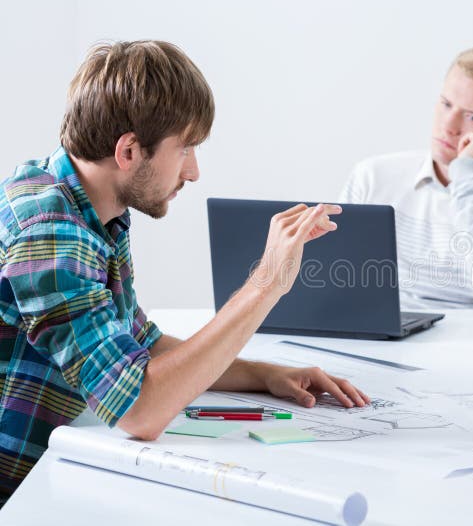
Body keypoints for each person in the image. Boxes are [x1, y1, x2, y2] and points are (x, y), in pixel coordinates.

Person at [0, 40, 369, 504]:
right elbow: (139, 409)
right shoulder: (52, 233)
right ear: (129, 151)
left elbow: (140, 346)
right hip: (19, 494)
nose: (193, 172)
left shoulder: (91, 207)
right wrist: (266, 283)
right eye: (186, 148)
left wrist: (265, 374)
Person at [340, 46, 473, 314]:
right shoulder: (372, 177)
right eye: (446, 104)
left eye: (471, 117)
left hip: (472, 349)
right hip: (376, 337)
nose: (449, 126)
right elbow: (337, 281)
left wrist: (467, 177)